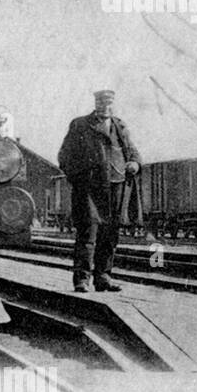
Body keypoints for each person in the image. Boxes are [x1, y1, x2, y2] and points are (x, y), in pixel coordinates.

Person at [56, 89, 144, 293]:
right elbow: (64, 156)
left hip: (117, 187)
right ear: (95, 104)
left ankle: (103, 277)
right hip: (90, 191)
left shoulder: (120, 126)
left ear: (113, 105)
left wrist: (135, 164)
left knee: (110, 235)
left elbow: (133, 151)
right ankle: (82, 280)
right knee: (88, 234)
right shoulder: (80, 125)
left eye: (109, 104)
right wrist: (80, 179)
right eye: (101, 104)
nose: (105, 108)